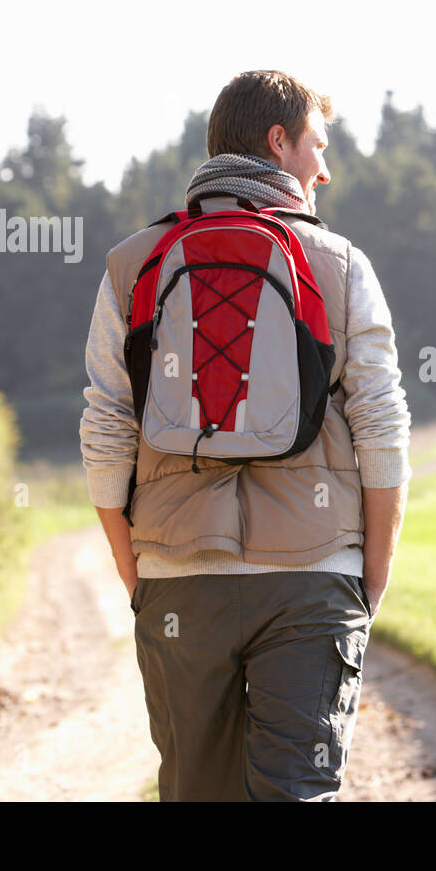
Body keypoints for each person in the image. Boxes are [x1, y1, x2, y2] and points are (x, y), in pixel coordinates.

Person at [78, 69, 410, 801]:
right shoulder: (343, 265)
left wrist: (140, 573)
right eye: (318, 146)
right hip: (313, 573)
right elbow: (383, 429)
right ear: (278, 142)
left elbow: (105, 430)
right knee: (295, 791)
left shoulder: (132, 265)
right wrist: (370, 570)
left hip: (177, 577)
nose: (325, 168)